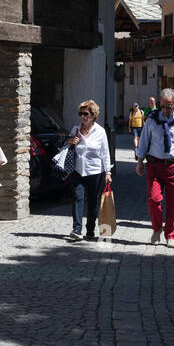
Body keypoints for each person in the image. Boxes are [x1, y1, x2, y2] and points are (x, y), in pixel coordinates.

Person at [134, 87, 174, 248]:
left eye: (168, 107)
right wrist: (140, 161)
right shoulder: (152, 119)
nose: (165, 110)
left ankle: (170, 234)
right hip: (155, 165)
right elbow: (144, 141)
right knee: (153, 199)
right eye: (162, 106)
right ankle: (157, 228)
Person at [66, 99, 113, 241]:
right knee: (77, 198)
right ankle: (77, 229)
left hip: (95, 172)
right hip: (77, 170)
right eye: (80, 113)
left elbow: (105, 153)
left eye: (85, 114)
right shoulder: (75, 129)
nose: (83, 117)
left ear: (93, 115)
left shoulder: (100, 132)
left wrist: (108, 172)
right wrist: (70, 141)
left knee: (93, 201)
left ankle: (90, 230)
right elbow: (66, 145)